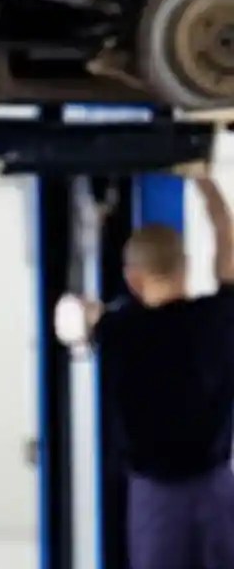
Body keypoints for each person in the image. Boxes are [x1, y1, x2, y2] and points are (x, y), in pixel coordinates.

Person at [87, 173, 234, 569]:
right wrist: (205, 181)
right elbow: (227, 240)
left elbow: (77, 321)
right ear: (185, 267)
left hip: (157, 502)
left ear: (133, 279)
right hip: (217, 492)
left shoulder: (118, 332)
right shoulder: (216, 320)